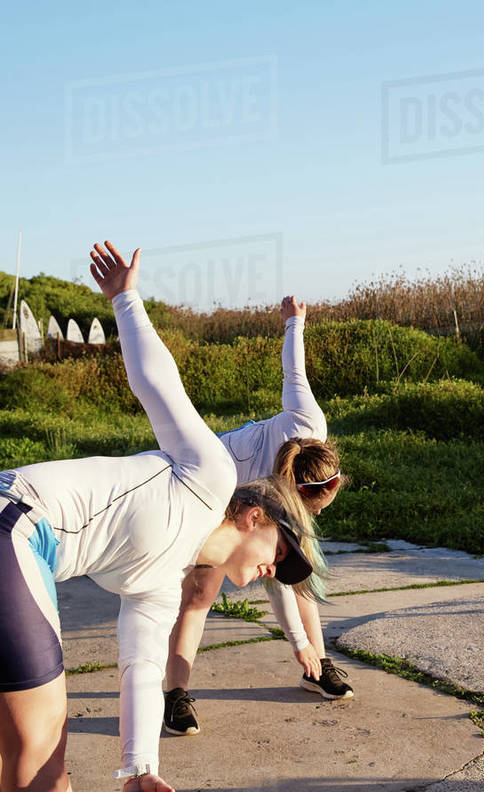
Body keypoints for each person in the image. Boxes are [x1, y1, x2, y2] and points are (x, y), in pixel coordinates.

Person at [0, 242, 317, 792]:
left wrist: (140, 767)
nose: (273, 570)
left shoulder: (162, 585)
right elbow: (157, 385)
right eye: (279, 553)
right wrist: (125, 301)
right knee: (41, 746)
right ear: (255, 516)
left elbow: (142, 669)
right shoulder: (211, 477)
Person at [163, 295, 351, 738]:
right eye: (313, 511)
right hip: (210, 497)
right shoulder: (275, 501)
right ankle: (176, 695)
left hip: (246, 497)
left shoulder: (310, 422)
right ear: (310, 495)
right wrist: (298, 643)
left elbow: (294, 374)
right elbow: (277, 581)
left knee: (303, 571)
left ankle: (316, 669)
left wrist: (294, 323)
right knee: (198, 596)